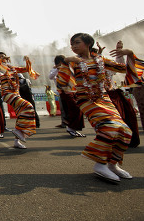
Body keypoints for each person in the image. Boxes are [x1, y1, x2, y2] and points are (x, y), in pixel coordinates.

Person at [58, 33, 138, 182]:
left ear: (88, 43)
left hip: (104, 98)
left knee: (125, 131)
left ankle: (112, 164)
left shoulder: (100, 60)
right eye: (72, 44)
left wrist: (129, 53)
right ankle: (100, 164)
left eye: (77, 42)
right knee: (110, 127)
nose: (73, 46)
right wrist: (65, 62)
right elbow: (61, 82)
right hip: (86, 100)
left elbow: (122, 69)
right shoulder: (73, 61)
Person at [0, 52, 39, 149]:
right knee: (29, 106)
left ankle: (16, 141)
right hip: (7, 93)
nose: (3, 58)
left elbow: (26, 69)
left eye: (4, 56)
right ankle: (20, 132)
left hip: (16, 93)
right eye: (0, 57)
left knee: (21, 115)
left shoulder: (12, 68)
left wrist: (27, 60)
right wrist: (1, 60)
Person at [50, 55, 85, 137]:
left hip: (73, 90)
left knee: (77, 109)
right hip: (64, 92)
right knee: (73, 109)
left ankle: (74, 128)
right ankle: (70, 127)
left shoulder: (69, 67)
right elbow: (51, 77)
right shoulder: (57, 70)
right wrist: (56, 68)